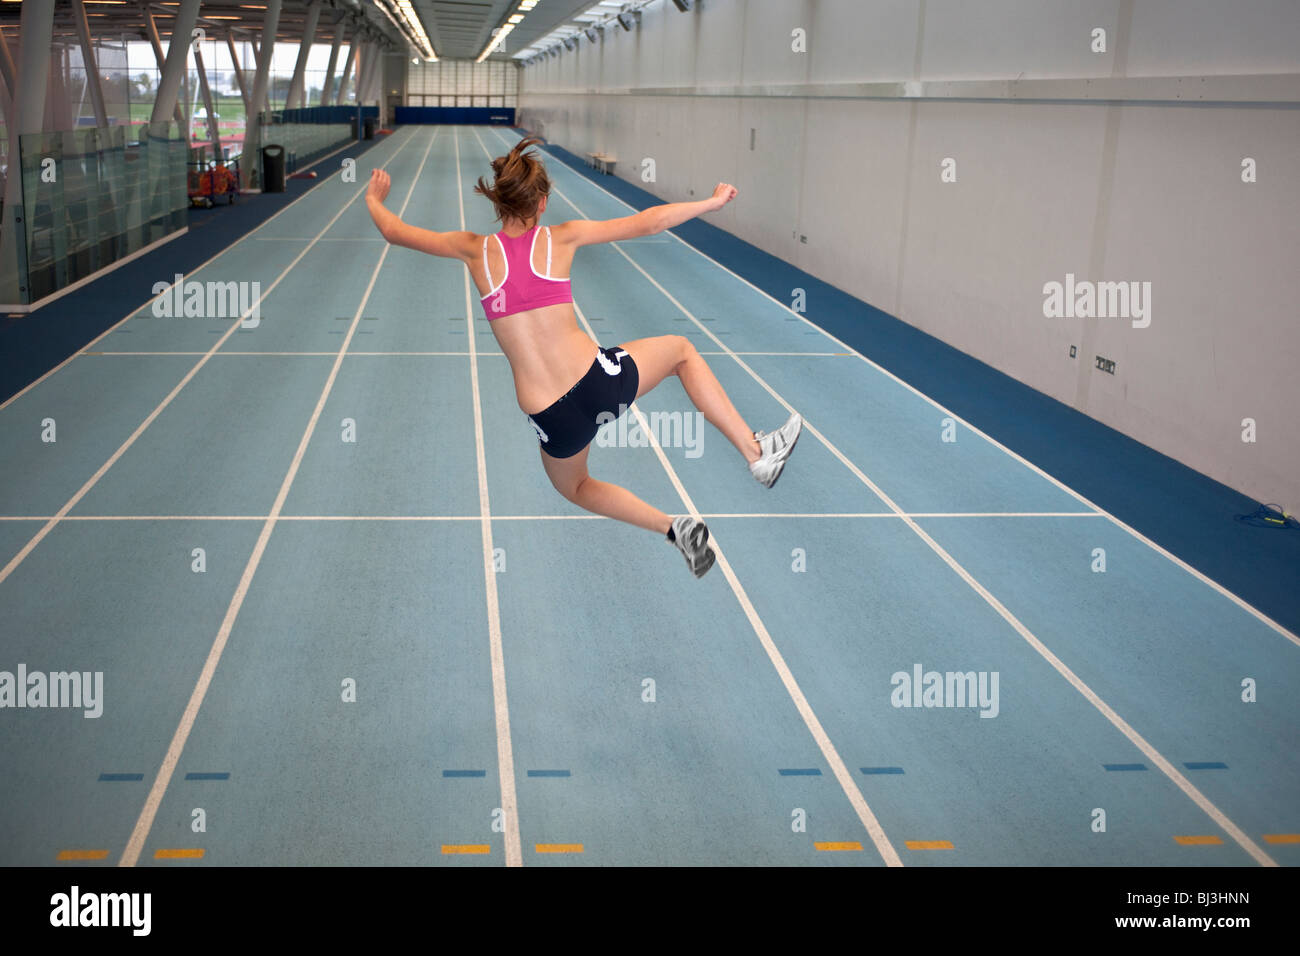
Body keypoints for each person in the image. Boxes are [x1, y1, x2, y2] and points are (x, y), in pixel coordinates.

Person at [365, 135, 801, 577]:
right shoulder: (562, 238)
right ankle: (755, 453)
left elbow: (393, 231)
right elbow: (649, 222)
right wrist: (708, 203)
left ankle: (673, 527)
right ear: (542, 203)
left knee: (576, 486)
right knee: (682, 353)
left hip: (553, 418)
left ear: (499, 202)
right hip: (597, 383)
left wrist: (374, 198)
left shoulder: (472, 249)